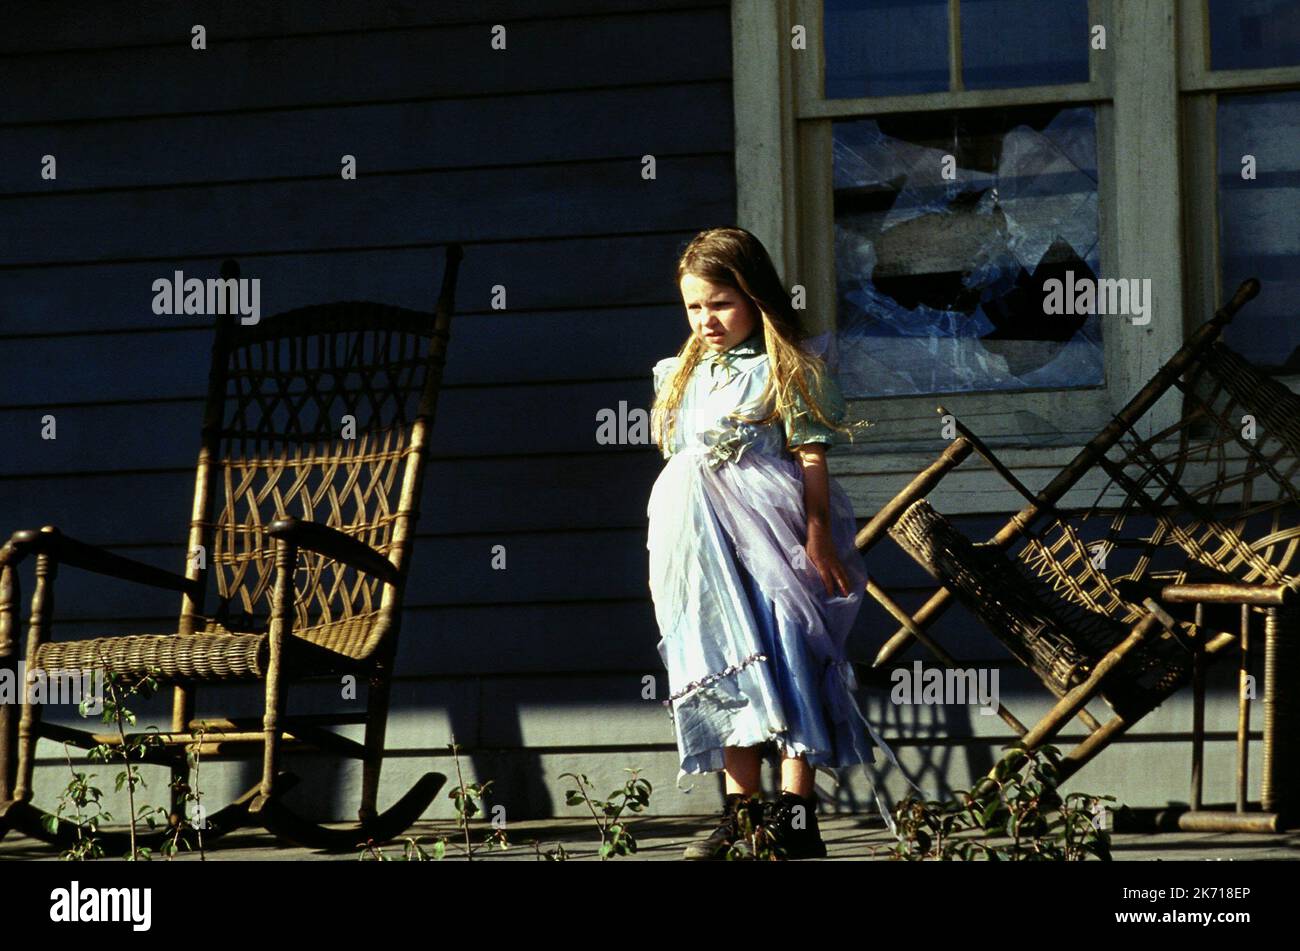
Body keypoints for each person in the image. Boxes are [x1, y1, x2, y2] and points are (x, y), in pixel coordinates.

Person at [646, 226, 915, 860]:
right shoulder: (676, 373)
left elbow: (811, 460)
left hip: (771, 526)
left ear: (756, 296)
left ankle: (795, 812)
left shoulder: (787, 366)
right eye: (694, 306)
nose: (707, 319)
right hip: (695, 539)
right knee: (717, 649)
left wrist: (819, 535)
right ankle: (742, 810)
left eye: (721, 302)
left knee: (787, 638)